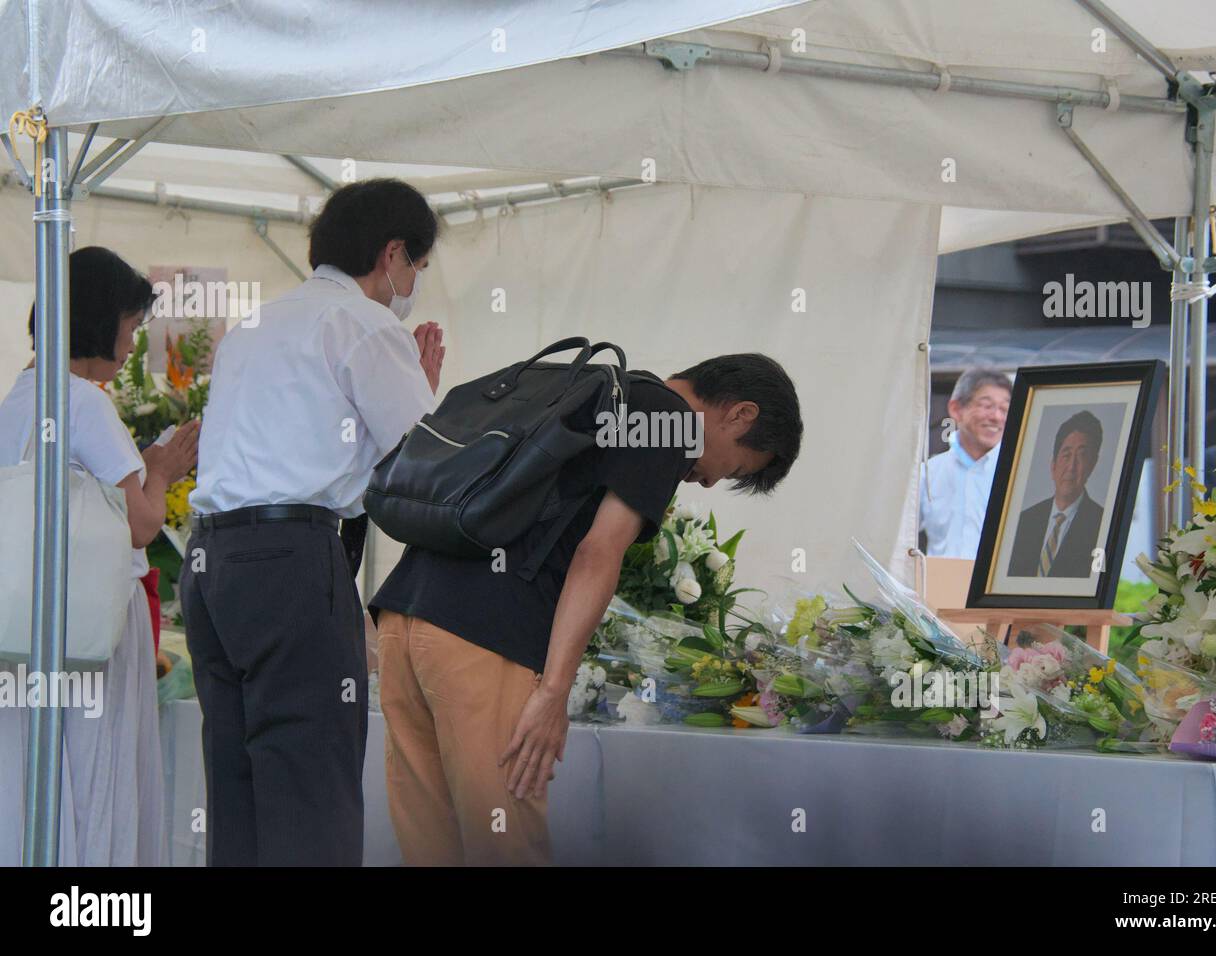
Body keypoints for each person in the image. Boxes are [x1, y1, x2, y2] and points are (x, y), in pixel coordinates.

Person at [370, 354, 803, 865]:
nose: (708, 482)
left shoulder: (593, 392)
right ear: (740, 415)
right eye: (732, 467)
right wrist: (554, 693)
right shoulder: (667, 422)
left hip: (402, 618)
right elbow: (598, 552)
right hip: (483, 636)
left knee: (429, 847)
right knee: (507, 848)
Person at [181, 179, 446, 866]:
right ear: (392, 254)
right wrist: (423, 390)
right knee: (310, 791)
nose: (412, 281)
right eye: (415, 265)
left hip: (210, 565)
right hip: (290, 566)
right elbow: (422, 463)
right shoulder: (364, 323)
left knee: (238, 790)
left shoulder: (255, 324)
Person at [0, 246, 200, 865]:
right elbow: (140, 524)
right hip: (84, 635)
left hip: (20, 633)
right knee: (95, 774)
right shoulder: (83, 401)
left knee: (33, 779)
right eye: (133, 327)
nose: (133, 344)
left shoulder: (15, 399)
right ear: (100, 321)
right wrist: (163, 468)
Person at [920, 367, 1011, 558]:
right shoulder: (928, 473)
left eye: (1005, 409)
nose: (997, 417)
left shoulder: (1017, 474)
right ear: (956, 409)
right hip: (940, 585)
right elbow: (900, 537)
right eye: (987, 406)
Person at [1007, 410, 1105, 578]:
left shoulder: (1102, 523)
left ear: (1092, 464)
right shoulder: (1023, 521)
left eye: (1082, 455)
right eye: (1066, 455)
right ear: (1053, 464)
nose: (1071, 467)